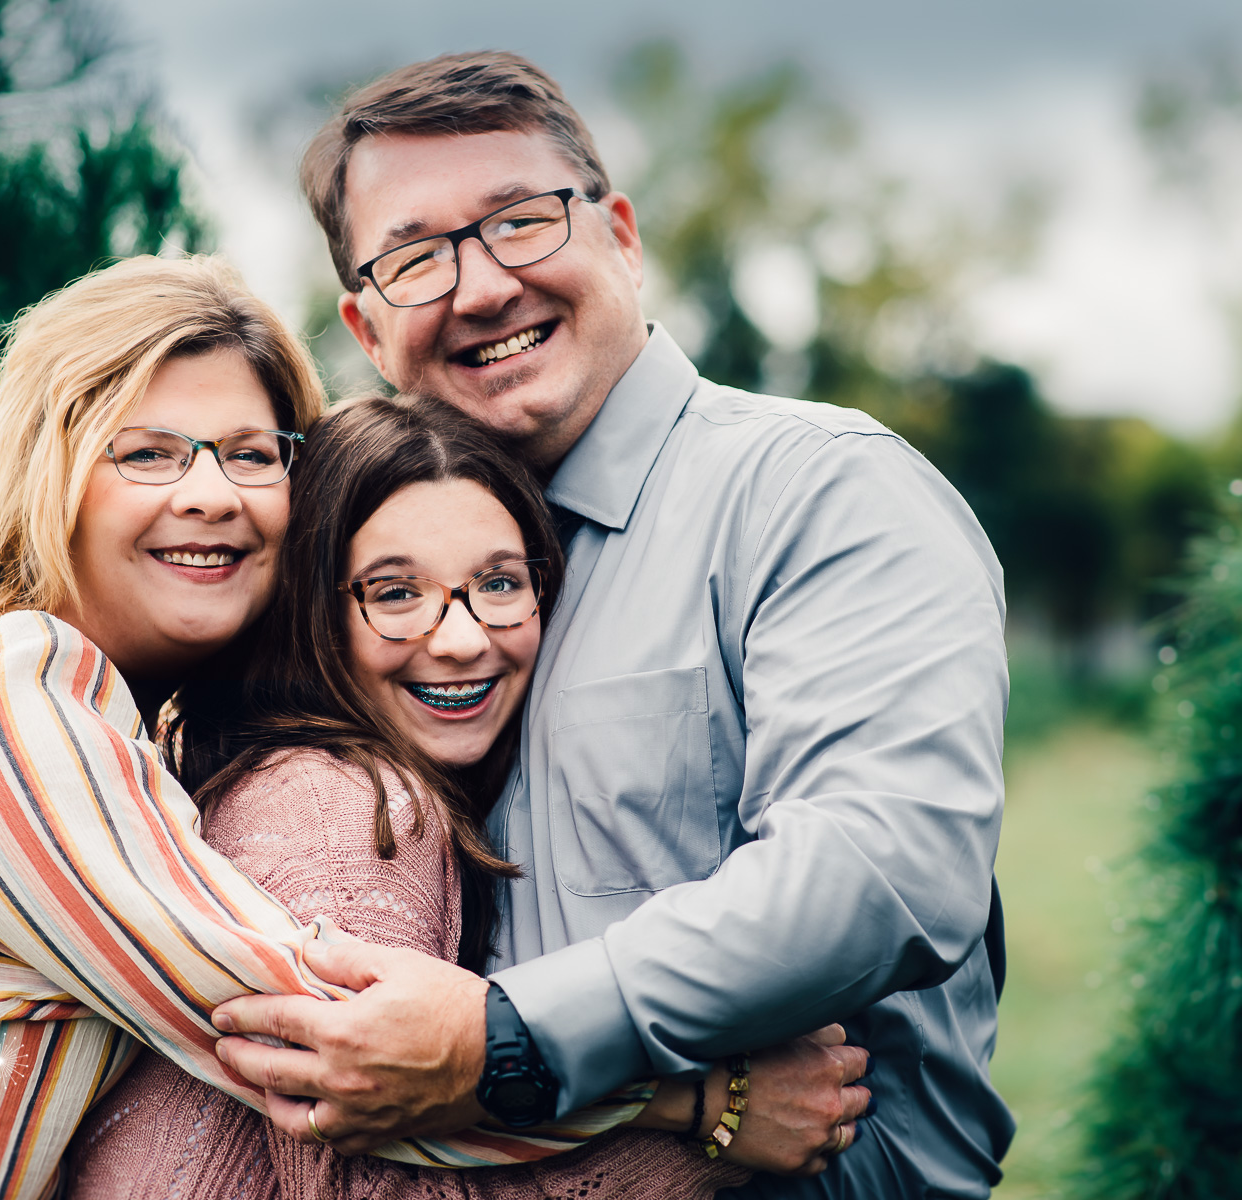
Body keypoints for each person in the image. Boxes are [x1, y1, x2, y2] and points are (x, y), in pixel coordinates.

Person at [211, 52, 1015, 1198]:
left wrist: (503, 1039)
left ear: (623, 237)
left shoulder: (818, 490)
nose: (482, 286)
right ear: (365, 325)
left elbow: (884, 869)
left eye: (520, 222)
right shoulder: (360, 545)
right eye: (416, 257)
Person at [0, 256, 630, 1200]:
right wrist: (695, 1096)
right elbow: (316, 1044)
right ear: (47, 469)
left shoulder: (138, 735)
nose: (212, 494)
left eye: (253, 453)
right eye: (149, 453)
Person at [66, 392, 777, 1198]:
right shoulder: (350, 810)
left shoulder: (303, 778)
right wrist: (716, 1127)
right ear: (314, 612)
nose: (465, 639)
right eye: (396, 594)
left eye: (500, 583)